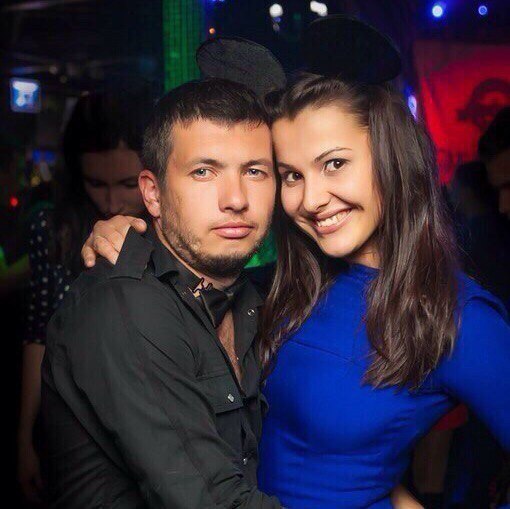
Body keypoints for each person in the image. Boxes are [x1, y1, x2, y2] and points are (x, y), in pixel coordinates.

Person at [84, 26, 510, 509]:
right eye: (291, 175)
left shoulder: (460, 317)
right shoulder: (279, 287)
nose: (310, 199)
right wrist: (135, 234)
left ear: (391, 158)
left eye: (334, 164)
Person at [18, 91, 148, 505]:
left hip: (152, 417)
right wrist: (23, 439)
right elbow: (39, 334)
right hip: (76, 423)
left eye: (127, 184)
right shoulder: (52, 227)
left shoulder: (172, 225)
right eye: (96, 183)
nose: (111, 202)